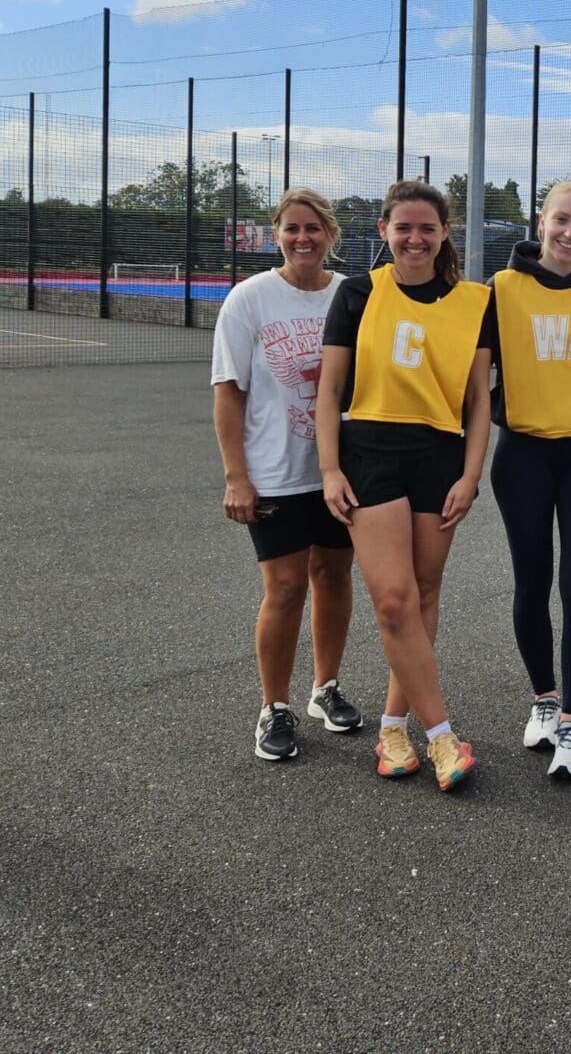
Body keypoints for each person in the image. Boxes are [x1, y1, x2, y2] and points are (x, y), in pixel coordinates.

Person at [317, 179, 491, 793]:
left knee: (421, 593)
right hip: (370, 453)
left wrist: (471, 476)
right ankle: (443, 736)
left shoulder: (474, 302)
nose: (415, 238)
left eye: (427, 227)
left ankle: (394, 727)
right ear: (386, 232)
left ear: (445, 233)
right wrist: (331, 469)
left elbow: (477, 403)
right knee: (392, 599)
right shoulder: (359, 294)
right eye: (403, 227)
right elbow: (330, 392)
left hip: (439, 458)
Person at [211, 188, 362, 763]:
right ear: (277, 233)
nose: (303, 238)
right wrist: (236, 477)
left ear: (330, 235)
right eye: (292, 228)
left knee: (334, 576)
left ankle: (325, 688)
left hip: (339, 469)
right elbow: (228, 393)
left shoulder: (351, 293)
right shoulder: (248, 301)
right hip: (275, 473)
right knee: (285, 587)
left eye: (314, 229)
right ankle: (274, 705)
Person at [485, 180, 571, 782]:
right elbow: (468, 377)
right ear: (540, 221)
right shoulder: (501, 289)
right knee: (531, 582)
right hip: (522, 455)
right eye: (562, 220)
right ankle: (543, 698)